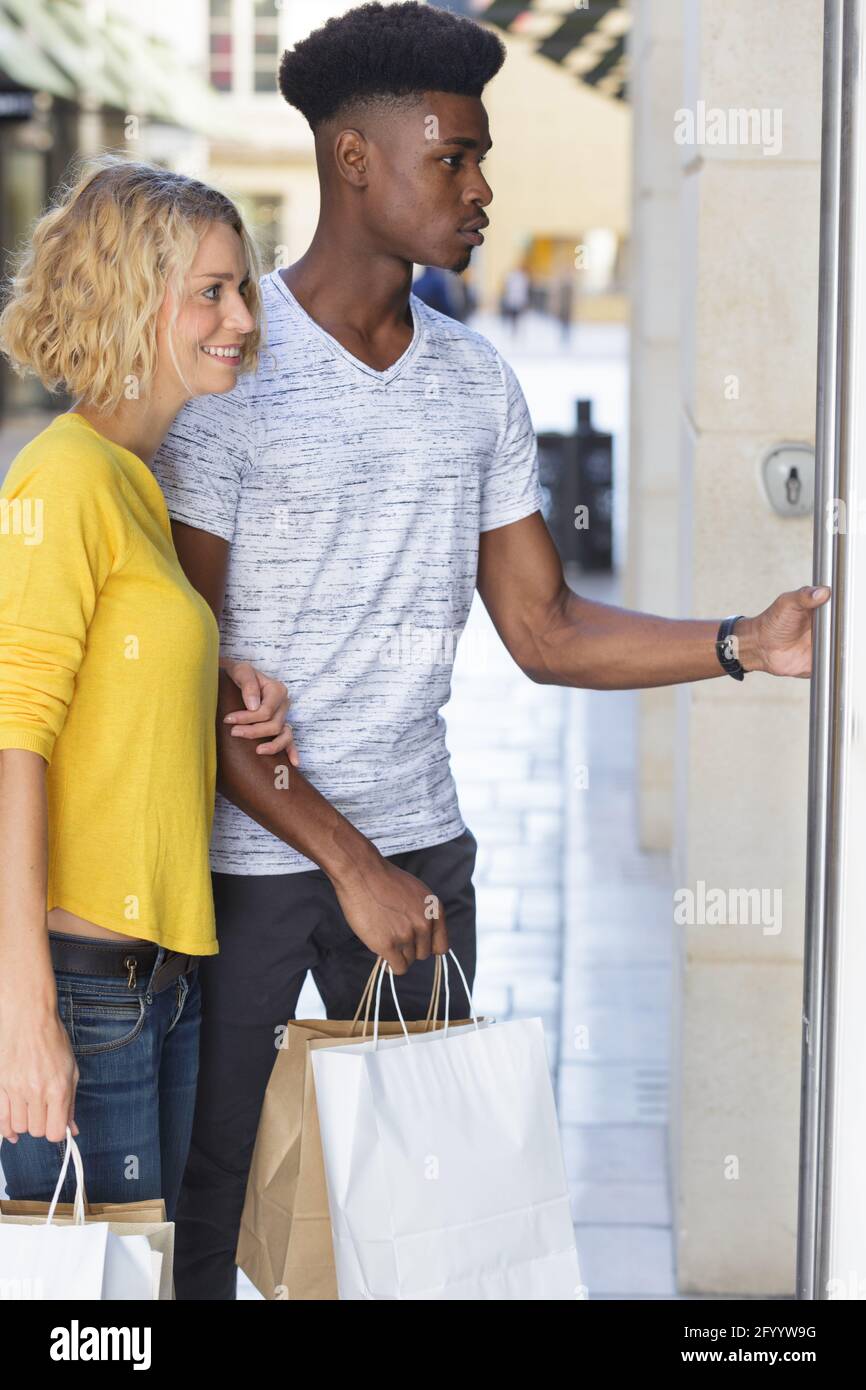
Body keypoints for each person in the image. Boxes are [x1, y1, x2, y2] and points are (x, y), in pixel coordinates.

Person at [149, 0, 829, 1298]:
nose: (480, 186)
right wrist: (346, 862)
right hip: (248, 860)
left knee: (423, 1216)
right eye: (450, 155)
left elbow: (545, 627)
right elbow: (187, 674)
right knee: (210, 1197)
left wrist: (743, 642)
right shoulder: (232, 377)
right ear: (356, 162)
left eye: (481, 156)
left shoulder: (474, 383)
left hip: (421, 856)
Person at [0, 157, 297, 1221]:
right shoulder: (66, 478)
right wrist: (23, 1015)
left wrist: (208, 671)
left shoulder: (131, 476)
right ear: (135, 297)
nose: (243, 318)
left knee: (147, 1297)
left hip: (157, 983)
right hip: (82, 991)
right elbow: (11, 739)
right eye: (211, 291)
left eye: (243, 288)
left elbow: (106, 667)